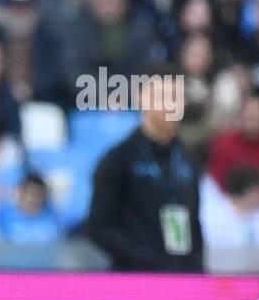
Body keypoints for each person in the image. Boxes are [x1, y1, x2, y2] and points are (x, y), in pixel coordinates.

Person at [87, 73, 205, 272]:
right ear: (142, 99)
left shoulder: (188, 158)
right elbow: (98, 226)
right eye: (161, 98)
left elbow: (193, 221)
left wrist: (196, 266)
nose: (170, 107)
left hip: (182, 277)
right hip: (134, 278)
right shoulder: (118, 159)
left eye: (176, 98)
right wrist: (143, 257)